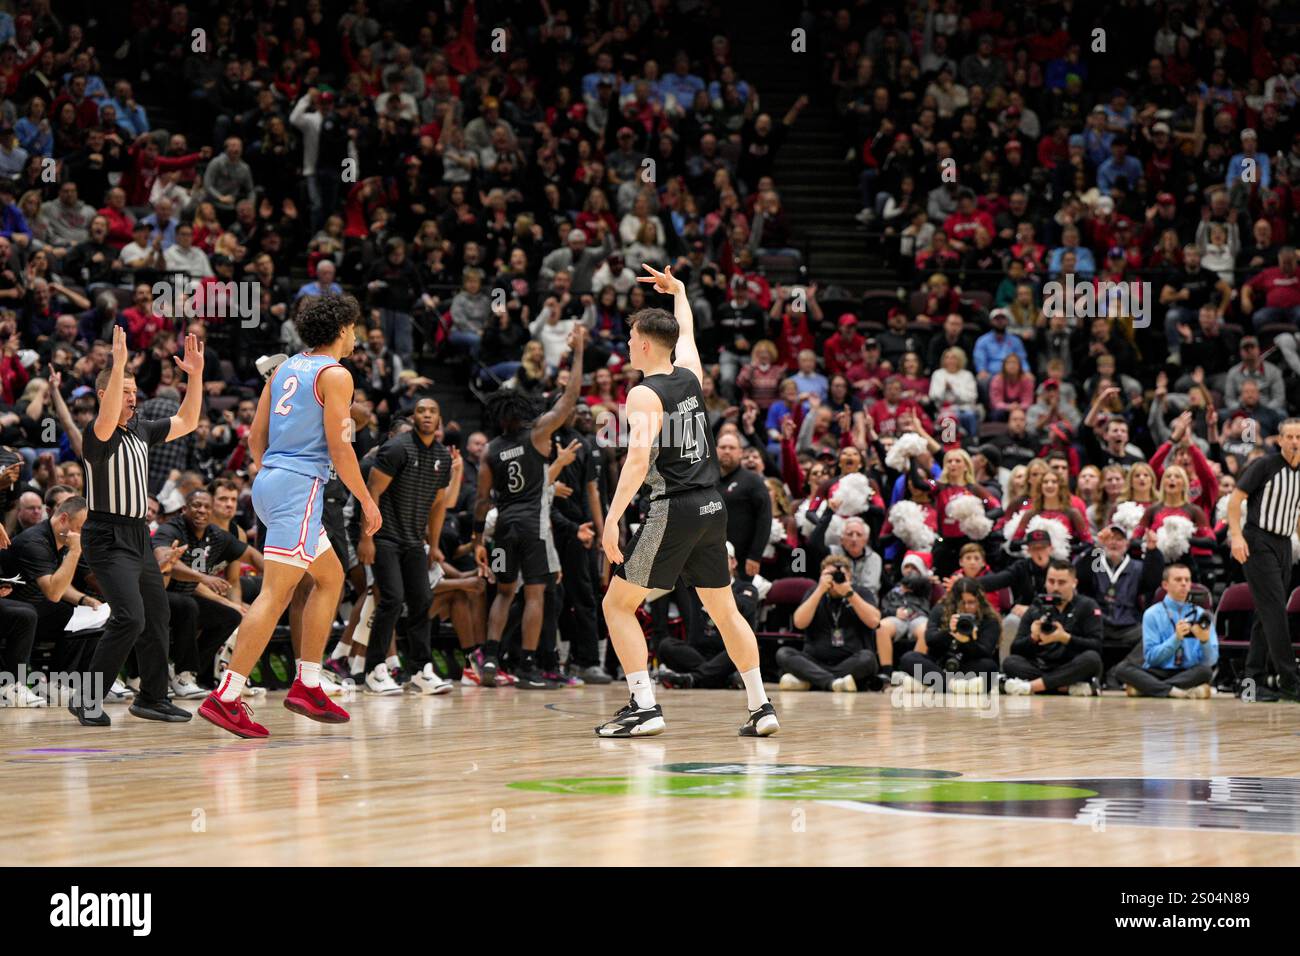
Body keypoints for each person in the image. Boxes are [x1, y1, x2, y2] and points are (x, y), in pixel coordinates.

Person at [599, 263, 779, 738]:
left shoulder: (643, 393)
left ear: (643, 343)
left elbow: (637, 463)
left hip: (672, 507)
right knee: (723, 610)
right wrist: (678, 290)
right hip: (711, 507)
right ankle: (761, 706)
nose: (626, 343)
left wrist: (612, 519)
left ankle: (644, 706)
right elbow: (690, 333)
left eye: (630, 337)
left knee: (616, 606)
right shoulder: (691, 376)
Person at [198, 295, 381, 738]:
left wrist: (275, 474)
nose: (355, 335)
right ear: (341, 330)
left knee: (330, 578)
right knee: (276, 595)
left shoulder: (283, 368)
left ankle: (308, 683)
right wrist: (367, 500)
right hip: (298, 488)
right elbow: (341, 446)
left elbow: (256, 437)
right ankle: (226, 696)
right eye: (353, 327)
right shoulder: (336, 374)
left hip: (272, 483)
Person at [72, 326, 204, 727]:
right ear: (104, 394)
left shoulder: (142, 430)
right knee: (129, 616)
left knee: (157, 614)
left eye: (132, 390)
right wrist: (119, 364)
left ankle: (151, 697)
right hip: (107, 536)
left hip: (137, 535)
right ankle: (87, 697)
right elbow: (109, 415)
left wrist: (194, 377)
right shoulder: (98, 433)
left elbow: (187, 420)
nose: (131, 396)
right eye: (122, 389)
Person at [357, 397, 455, 696]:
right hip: (384, 537)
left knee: (423, 600)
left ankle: (420, 670)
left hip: (414, 540)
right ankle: (374, 669)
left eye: (432, 411)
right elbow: (371, 492)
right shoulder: (397, 447)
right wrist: (366, 538)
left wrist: (434, 546)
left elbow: (439, 507)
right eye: (421, 411)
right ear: (414, 417)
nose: (426, 415)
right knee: (392, 600)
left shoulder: (443, 457)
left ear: (439, 419)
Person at [1226, 419, 1300, 702]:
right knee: (1274, 610)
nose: (1294, 441)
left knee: (1266, 612)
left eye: (1299, 437)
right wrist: (1236, 537)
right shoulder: (1264, 466)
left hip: (1283, 545)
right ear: (1279, 440)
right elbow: (1234, 502)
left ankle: (1252, 681)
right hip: (1257, 540)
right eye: (1289, 436)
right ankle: (1290, 679)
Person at [656, 541, 761, 689]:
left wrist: (720, 583)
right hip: (698, 653)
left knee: (740, 650)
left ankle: (695, 678)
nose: (716, 563)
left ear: (734, 562)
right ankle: (720, 678)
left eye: (721, 558)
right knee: (666, 645)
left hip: (727, 652)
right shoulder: (696, 587)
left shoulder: (747, 588)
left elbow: (741, 607)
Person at [777, 553, 881, 692]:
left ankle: (812, 681)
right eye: (830, 574)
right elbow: (799, 623)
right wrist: (820, 590)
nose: (835, 579)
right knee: (784, 653)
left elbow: (874, 622)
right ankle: (833, 682)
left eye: (841, 574)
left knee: (868, 659)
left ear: (849, 576)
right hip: (815, 661)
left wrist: (849, 593)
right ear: (821, 575)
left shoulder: (861, 592)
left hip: (850, 661)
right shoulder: (814, 592)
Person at [1002, 559, 1104, 696]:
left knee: (1092, 659)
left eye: (1061, 583)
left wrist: (1065, 638)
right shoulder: (1037, 606)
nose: (1055, 587)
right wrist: (1032, 638)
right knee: (1010, 663)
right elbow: (1015, 649)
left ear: (1074, 583)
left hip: (1072, 665)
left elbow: (1097, 645)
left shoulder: (1087, 606)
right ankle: (1065, 688)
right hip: (1043, 667)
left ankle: (1032, 686)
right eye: (1051, 581)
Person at [1114, 563, 1217, 698]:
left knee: (1205, 672)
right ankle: (1174, 691)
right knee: (1122, 669)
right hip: (1157, 670)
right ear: (1165, 585)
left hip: (1187, 671)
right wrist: (1176, 639)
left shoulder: (1201, 615)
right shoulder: (1152, 614)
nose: (1184, 584)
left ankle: (1148, 688)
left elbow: (1211, 661)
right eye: (1178, 580)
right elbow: (1152, 658)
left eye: (1187, 580)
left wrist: (1205, 641)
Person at [897, 577, 1001, 693]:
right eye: (962, 603)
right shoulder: (940, 610)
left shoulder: (989, 620)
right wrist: (949, 633)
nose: (967, 607)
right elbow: (929, 640)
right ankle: (952, 686)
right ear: (955, 602)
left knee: (990, 667)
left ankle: (935, 685)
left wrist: (967, 642)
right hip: (939, 665)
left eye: (971, 602)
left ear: (979, 601)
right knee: (909, 657)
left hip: (966, 667)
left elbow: (985, 652)